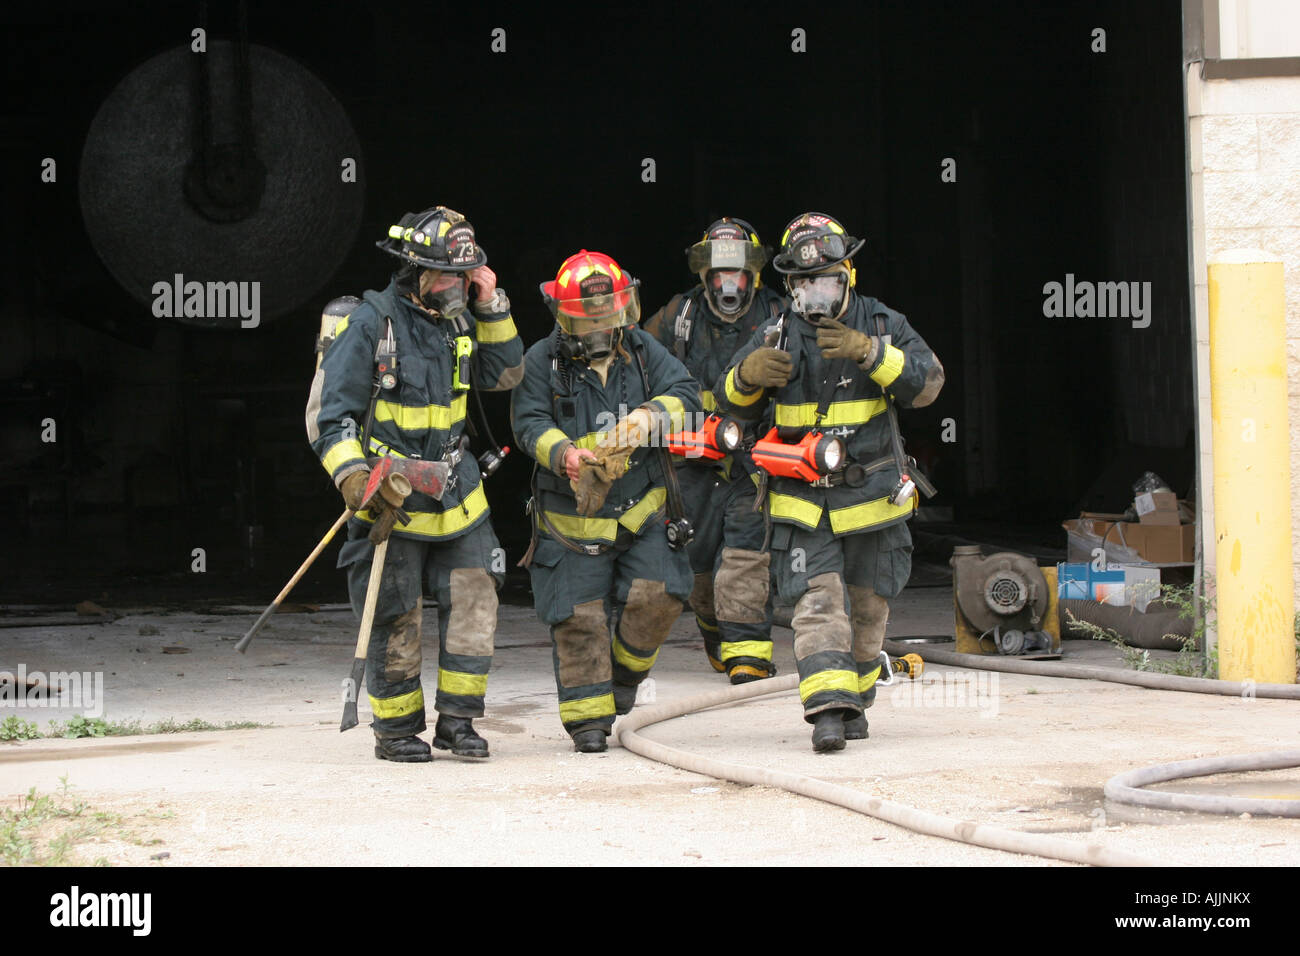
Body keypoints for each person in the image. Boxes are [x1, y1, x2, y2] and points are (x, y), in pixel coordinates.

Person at [714, 212, 944, 752]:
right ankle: (826, 711)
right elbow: (729, 404)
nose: (813, 292)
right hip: (802, 502)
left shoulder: (884, 324)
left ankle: (854, 701)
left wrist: (871, 353)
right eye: (802, 282)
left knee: (868, 609)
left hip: (872, 500)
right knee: (816, 604)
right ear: (790, 285)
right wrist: (746, 378)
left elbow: (929, 384)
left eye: (824, 280)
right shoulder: (774, 332)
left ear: (847, 277)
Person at [306, 206, 524, 762]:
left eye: (463, 274)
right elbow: (333, 419)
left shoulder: (462, 318)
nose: (455, 284)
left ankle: (458, 722)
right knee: (395, 612)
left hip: (458, 496)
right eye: (447, 275)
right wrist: (355, 477)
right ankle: (397, 730)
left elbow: (505, 375)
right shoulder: (370, 324)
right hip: (392, 498)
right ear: (413, 272)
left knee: (476, 601)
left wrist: (490, 301)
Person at [511, 250, 700, 753]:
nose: (600, 328)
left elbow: (687, 394)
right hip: (569, 521)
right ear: (565, 315)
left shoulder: (641, 350)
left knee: (661, 595)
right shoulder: (539, 360)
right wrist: (567, 456)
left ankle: (621, 680)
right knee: (579, 618)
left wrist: (641, 422)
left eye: (609, 315)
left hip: (642, 508)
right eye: (587, 318)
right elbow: (528, 423)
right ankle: (587, 722)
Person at [643, 218, 784, 683]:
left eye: (739, 274)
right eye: (721, 274)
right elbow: (634, 366)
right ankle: (715, 632)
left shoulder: (780, 317)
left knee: (746, 554)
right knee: (696, 561)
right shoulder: (676, 318)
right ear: (705, 275)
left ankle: (748, 657)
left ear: (754, 276)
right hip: (691, 462)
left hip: (753, 462)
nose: (729, 284)